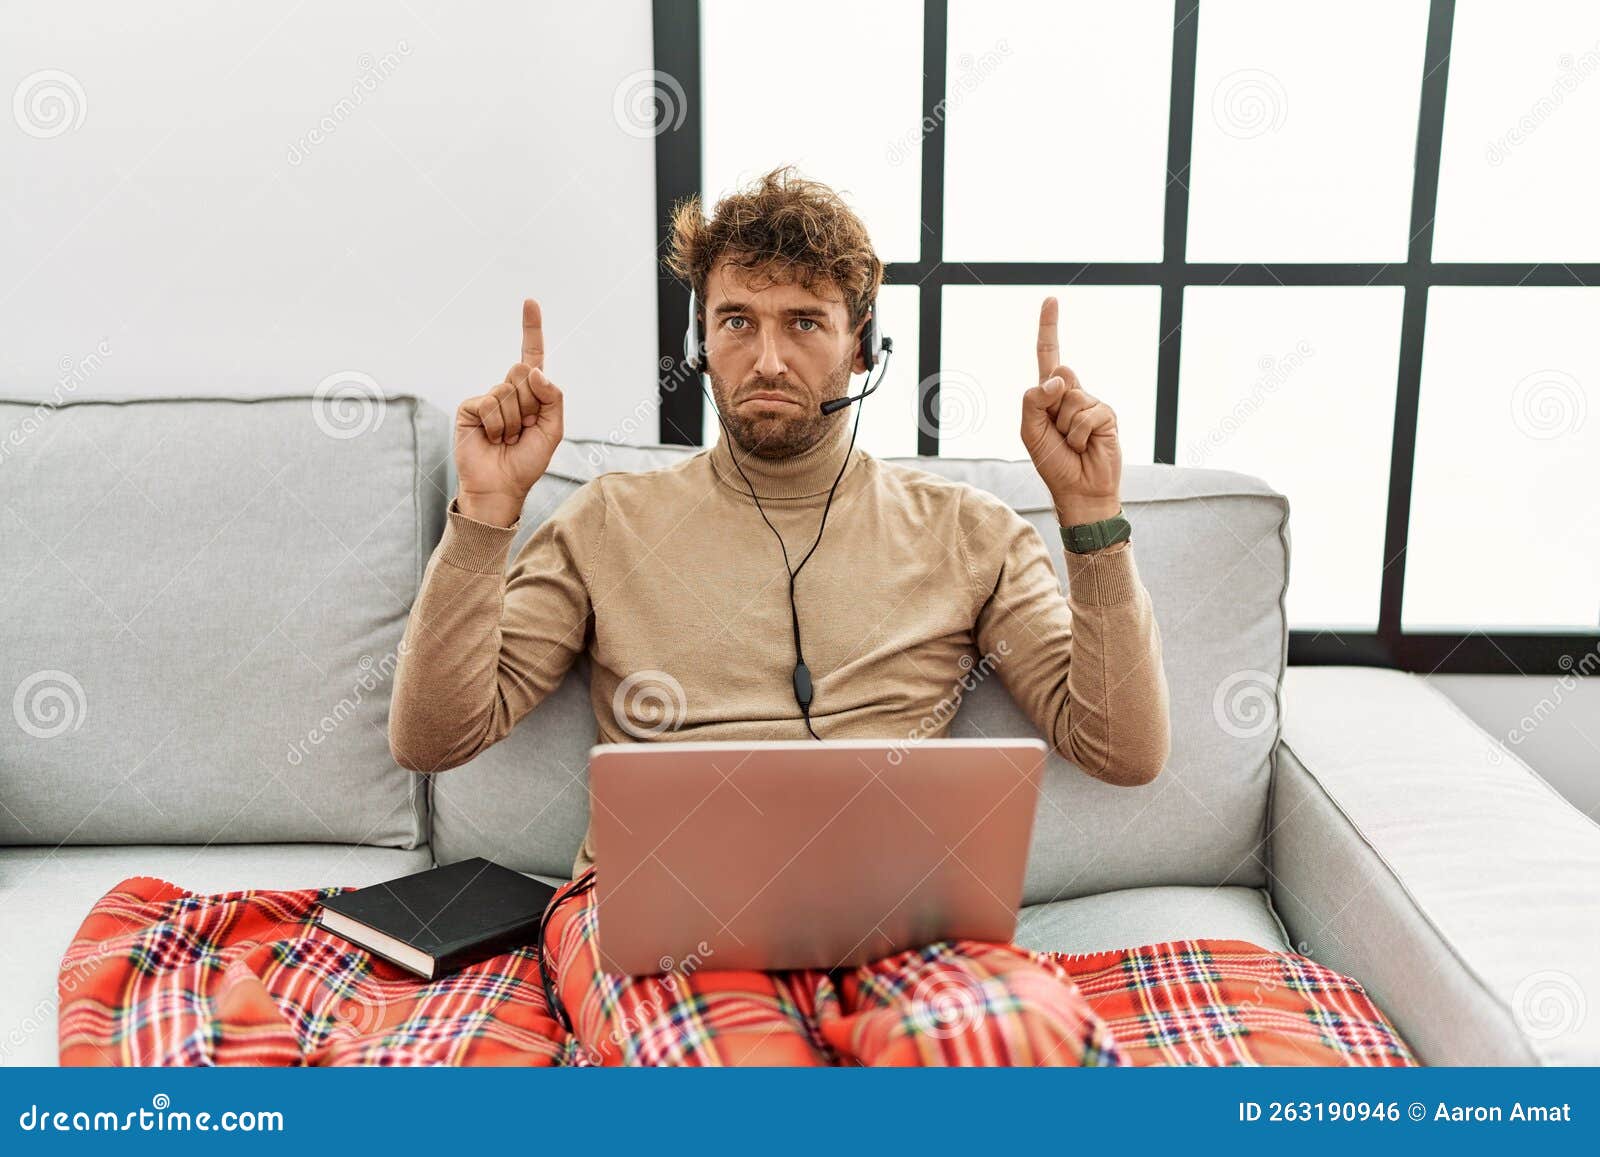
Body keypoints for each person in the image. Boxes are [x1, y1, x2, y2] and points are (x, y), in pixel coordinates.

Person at [389, 165, 1170, 1066]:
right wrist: (487, 513)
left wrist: (1091, 519)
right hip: (664, 913)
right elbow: (432, 736)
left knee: (1018, 1048)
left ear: (863, 347)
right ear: (704, 342)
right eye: (736, 323)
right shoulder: (607, 519)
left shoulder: (972, 531)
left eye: (804, 322)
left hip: (900, 916)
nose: (766, 359)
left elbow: (1126, 749)